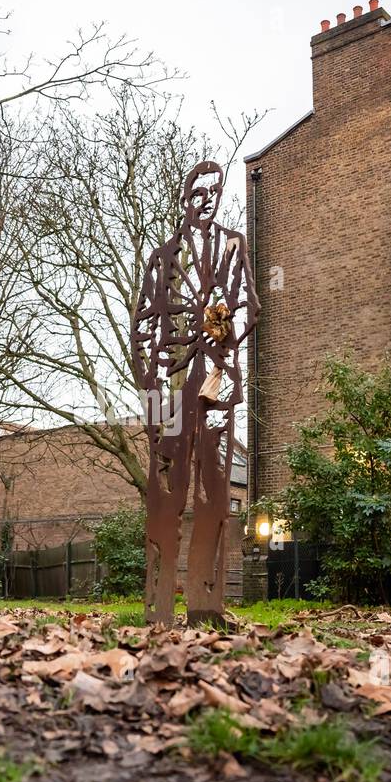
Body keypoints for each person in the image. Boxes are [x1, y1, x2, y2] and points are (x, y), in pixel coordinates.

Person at [133, 162, 259, 625]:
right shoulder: (163, 259)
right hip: (171, 389)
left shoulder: (233, 247)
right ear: (185, 198)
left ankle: (207, 604)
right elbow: (142, 331)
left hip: (216, 385)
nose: (206, 200)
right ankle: (158, 603)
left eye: (213, 192)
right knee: (166, 493)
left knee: (214, 490)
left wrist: (225, 347)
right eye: (198, 192)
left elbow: (250, 308)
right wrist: (151, 402)